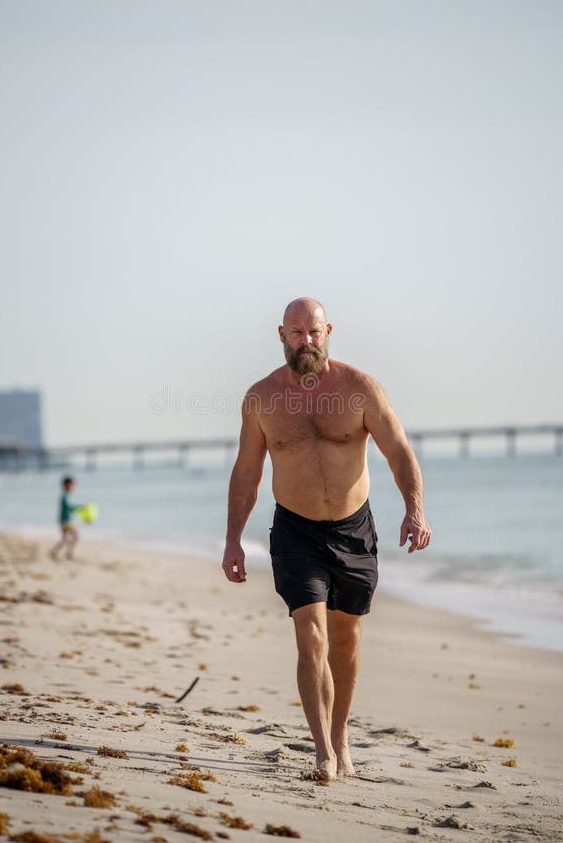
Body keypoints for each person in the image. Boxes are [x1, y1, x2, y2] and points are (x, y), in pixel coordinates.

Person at [222, 297, 431, 781]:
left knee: (346, 642)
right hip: (295, 531)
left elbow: (398, 449)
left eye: (313, 332)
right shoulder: (261, 399)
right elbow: (247, 471)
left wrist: (414, 510)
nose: (306, 341)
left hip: (353, 530)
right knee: (310, 635)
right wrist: (233, 540)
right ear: (281, 335)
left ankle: (341, 736)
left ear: (329, 331)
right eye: (296, 333)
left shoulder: (359, 389)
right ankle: (322, 751)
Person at [50, 475, 85, 561]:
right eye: (70, 485)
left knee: (65, 539)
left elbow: (71, 509)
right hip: (66, 522)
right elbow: (70, 507)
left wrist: (81, 513)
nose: (72, 487)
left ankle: (54, 552)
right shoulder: (65, 497)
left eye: (72, 486)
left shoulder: (67, 496)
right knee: (76, 536)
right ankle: (69, 554)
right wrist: (80, 506)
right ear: (65, 486)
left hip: (64, 521)